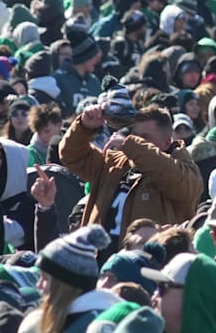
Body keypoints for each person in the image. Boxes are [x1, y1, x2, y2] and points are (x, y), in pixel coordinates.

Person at [59, 102, 203, 245]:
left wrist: (131, 145)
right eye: (134, 136)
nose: (136, 141)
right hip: (101, 259)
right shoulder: (116, 163)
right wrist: (84, 126)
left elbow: (175, 180)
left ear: (166, 142)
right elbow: (71, 155)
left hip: (150, 263)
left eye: (145, 137)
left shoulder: (184, 169)